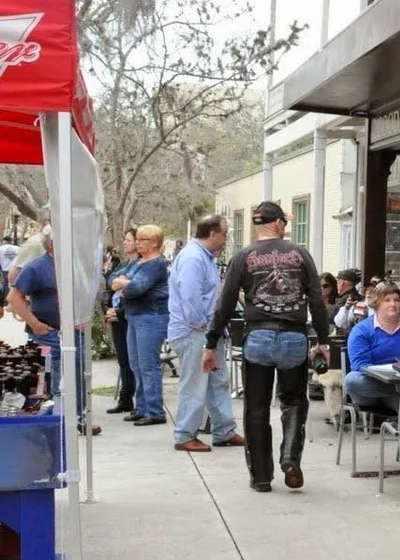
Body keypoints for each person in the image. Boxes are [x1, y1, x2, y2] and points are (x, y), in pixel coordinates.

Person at [205, 201, 331, 493]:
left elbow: (224, 304)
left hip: (258, 337)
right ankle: (290, 456)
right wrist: (323, 341)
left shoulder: (243, 256)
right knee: (295, 400)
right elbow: (317, 301)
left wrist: (211, 343)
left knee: (256, 409)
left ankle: (261, 477)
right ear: (277, 224)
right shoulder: (300, 255)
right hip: (293, 336)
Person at [7, 233, 97, 435]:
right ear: (53, 245)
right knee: (55, 379)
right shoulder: (36, 267)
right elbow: (14, 297)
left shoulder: (74, 265)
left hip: (74, 332)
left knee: (79, 374)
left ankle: (79, 418)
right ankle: (58, 420)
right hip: (49, 333)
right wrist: (36, 324)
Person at [167, 216, 242, 452]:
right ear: (212, 234)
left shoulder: (204, 257)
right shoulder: (192, 258)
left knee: (218, 382)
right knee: (195, 384)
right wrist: (203, 325)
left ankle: (224, 431)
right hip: (194, 332)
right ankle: (185, 434)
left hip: (209, 331)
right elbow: (191, 296)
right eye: (224, 233)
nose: (226, 238)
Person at [345, 282, 400, 474]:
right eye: (387, 300)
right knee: (352, 380)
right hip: (372, 389)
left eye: (396, 300)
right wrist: (391, 381)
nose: (393, 304)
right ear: (377, 304)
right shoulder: (362, 331)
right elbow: (359, 365)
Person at [113, 224, 171, 426]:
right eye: (136, 239)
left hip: (151, 318)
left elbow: (136, 288)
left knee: (148, 365)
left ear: (154, 243)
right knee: (136, 365)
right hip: (134, 316)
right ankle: (142, 407)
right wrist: (122, 283)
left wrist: (124, 285)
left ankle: (155, 411)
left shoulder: (156, 264)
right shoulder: (137, 263)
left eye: (142, 239)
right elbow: (113, 280)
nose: (137, 243)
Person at [102, 227, 137, 414]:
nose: (125, 242)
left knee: (134, 360)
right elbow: (110, 283)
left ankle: (138, 398)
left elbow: (137, 293)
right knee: (123, 359)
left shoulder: (142, 266)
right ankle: (125, 398)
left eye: (129, 240)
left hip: (128, 317)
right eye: (124, 239)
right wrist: (108, 308)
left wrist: (120, 311)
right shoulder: (123, 266)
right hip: (114, 315)